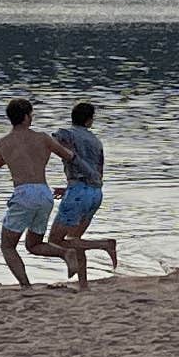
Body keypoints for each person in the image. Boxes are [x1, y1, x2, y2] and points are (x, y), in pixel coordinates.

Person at [0, 98, 62, 287]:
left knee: (7, 245)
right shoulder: (43, 137)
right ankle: (65, 253)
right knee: (34, 244)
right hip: (45, 193)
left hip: (24, 194)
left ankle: (25, 285)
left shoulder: (3, 142)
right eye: (31, 114)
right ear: (26, 117)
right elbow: (68, 155)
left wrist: (12, 157)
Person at [48, 99, 117, 286]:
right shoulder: (96, 141)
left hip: (79, 191)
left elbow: (51, 143)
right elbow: (99, 171)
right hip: (95, 192)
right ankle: (83, 285)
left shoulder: (66, 133)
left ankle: (104, 244)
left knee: (55, 241)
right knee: (75, 240)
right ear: (89, 121)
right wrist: (71, 187)